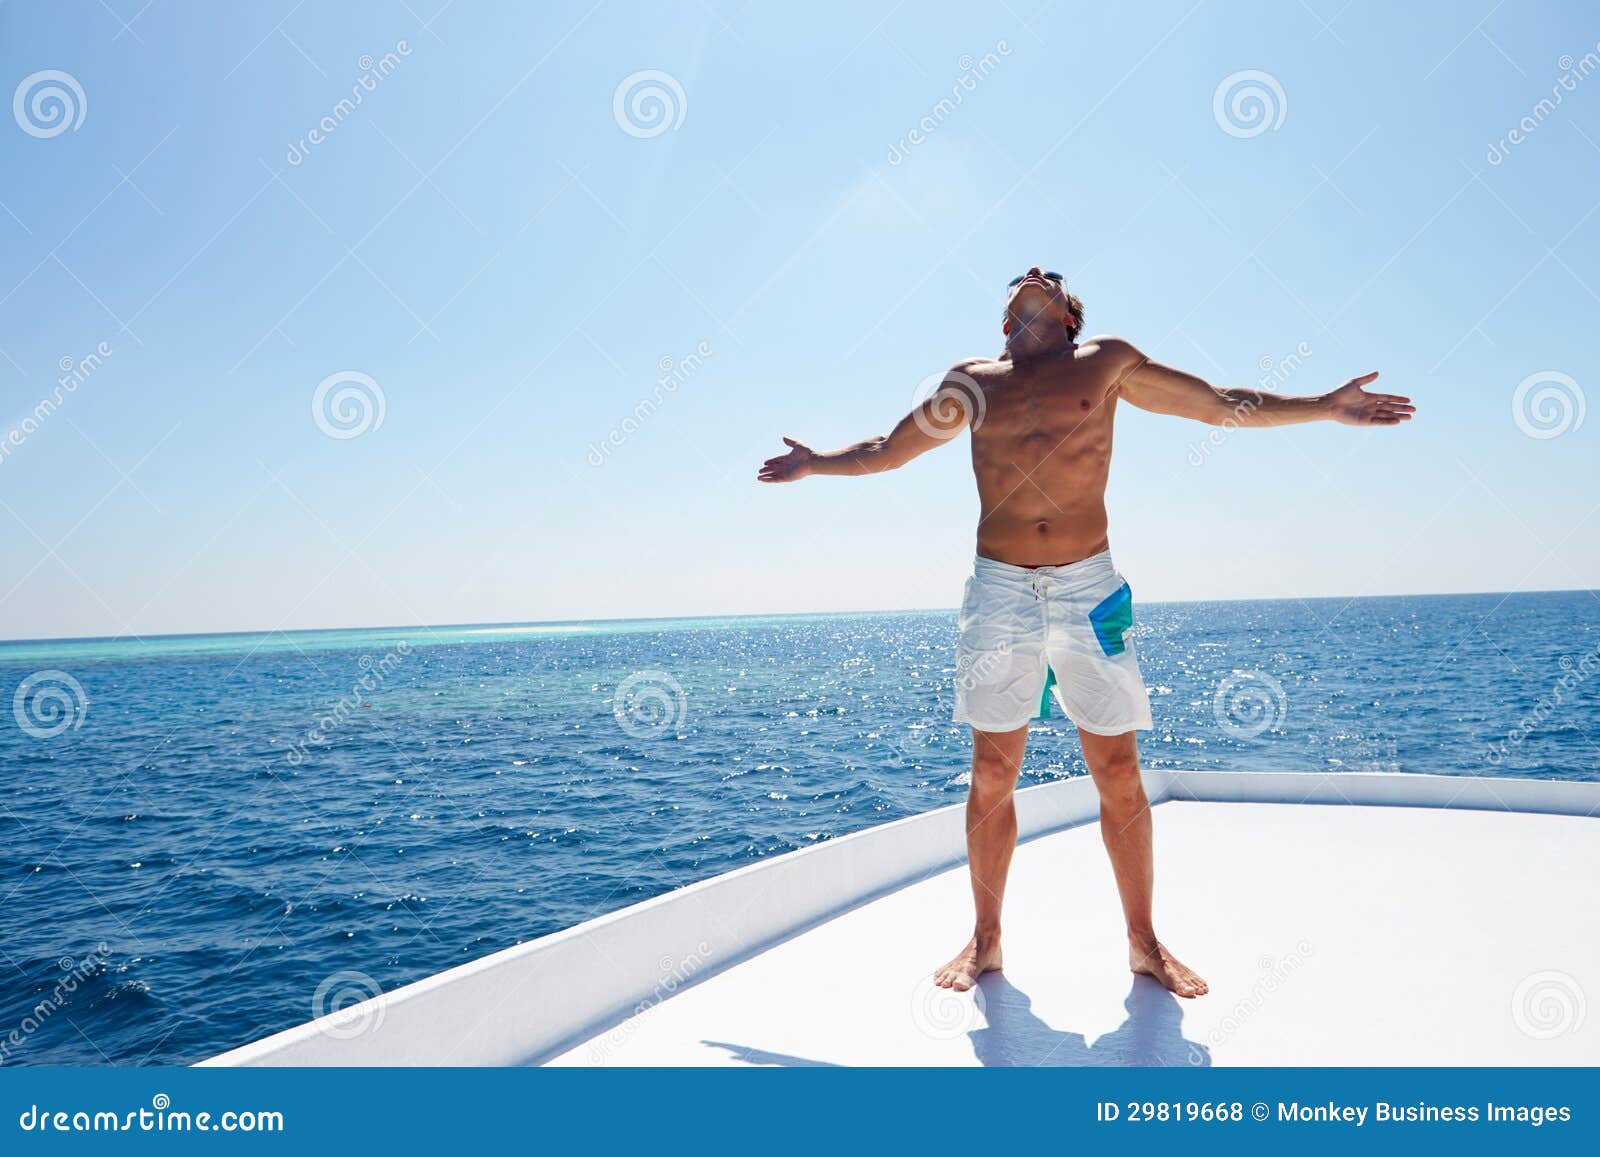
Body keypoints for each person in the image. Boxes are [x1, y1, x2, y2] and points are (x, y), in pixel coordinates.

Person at [757, 268, 1414, 996]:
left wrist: (1326, 406)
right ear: (1004, 323)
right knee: (992, 773)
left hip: (1089, 585)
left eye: (1051, 281)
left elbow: (1222, 405)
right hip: (1000, 587)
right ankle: (986, 940)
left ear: (1069, 317)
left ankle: (1144, 943)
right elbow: (887, 448)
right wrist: (815, 463)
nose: (1035, 276)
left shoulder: (1107, 362)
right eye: (1021, 281)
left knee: (1119, 771)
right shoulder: (972, 382)